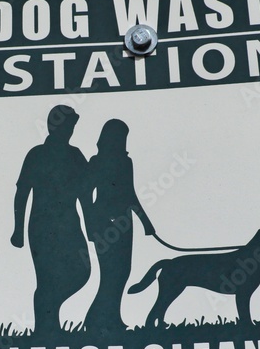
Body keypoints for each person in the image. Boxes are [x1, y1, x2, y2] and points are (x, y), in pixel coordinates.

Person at [11, 105, 91, 335]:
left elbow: (85, 195)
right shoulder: (36, 154)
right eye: (68, 126)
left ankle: (49, 316)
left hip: (70, 225)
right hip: (41, 226)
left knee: (82, 271)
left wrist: (91, 224)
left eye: (72, 127)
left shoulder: (75, 156)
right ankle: (46, 330)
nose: (70, 131)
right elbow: (22, 191)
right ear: (56, 126)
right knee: (46, 279)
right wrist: (17, 230)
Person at [84, 119, 155, 332]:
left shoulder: (126, 162)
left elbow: (130, 193)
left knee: (123, 272)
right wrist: (90, 224)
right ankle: (96, 320)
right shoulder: (95, 162)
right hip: (104, 222)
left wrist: (145, 222)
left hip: (124, 222)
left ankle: (111, 318)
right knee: (110, 273)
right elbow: (86, 194)